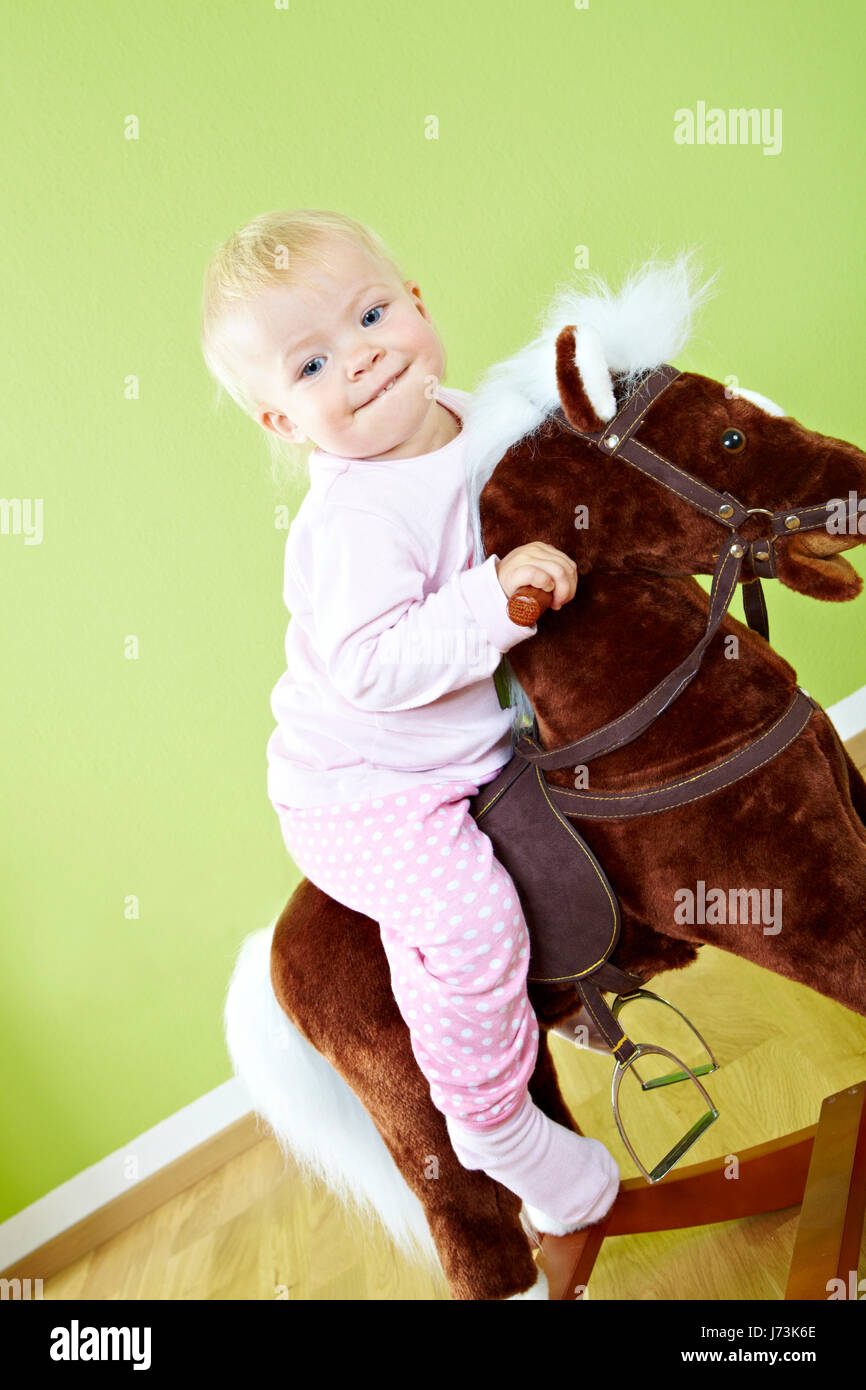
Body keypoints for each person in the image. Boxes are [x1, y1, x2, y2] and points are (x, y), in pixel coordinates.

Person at [200, 208, 620, 1232]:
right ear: (281, 423)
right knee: (470, 920)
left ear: (418, 303)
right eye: (309, 365)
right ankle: (490, 1123)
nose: (362, 357)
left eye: (371, 313)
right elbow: (373, 664)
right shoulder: (353, 520)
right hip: (365, 787)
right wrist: (490, 599)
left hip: (468, 745)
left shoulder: (475, 421)